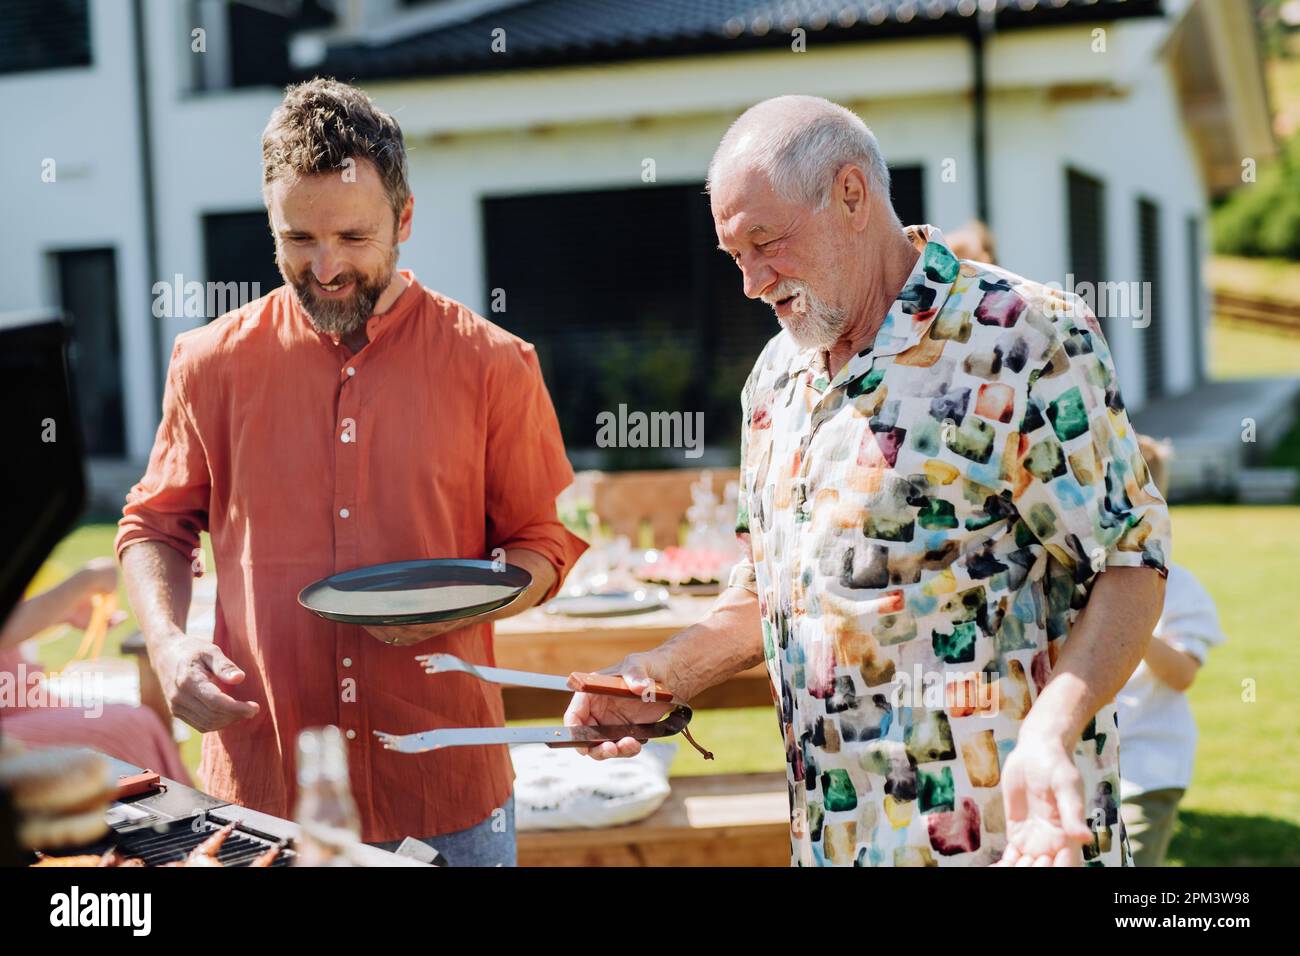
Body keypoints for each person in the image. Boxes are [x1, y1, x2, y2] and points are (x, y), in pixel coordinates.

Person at [566, 95, 1170, 867]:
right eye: (734, 256)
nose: (751, 282)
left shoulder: (1026, 335)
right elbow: (768, 590)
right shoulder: (775, 378)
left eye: (765, 242)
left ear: (852, 195)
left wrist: (1052, 731)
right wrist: (656, 677)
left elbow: (1131, 562)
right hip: (837, 843)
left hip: (1008, 842)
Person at [117, 78, 586, 866]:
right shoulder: (209, 364)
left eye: (353, 239)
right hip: (264, 799)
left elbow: (541, 542)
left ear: (404, 219)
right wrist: (165, 644)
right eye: (298, 239)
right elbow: (153, 525)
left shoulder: (495, 365)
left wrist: (478, 597)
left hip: (449, 797)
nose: (325, 267)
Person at [1117, 436, 1225, 866]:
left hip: (1148, 769)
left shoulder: (1178, 586)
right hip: (1084, 766)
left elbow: (1182, 674)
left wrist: (1129, 625)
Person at [1, 558, 190, 783]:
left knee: (137, 721)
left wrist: (63, 613)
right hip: (10, 719)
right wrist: (85, 581)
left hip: (22, 698)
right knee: (128, 724)